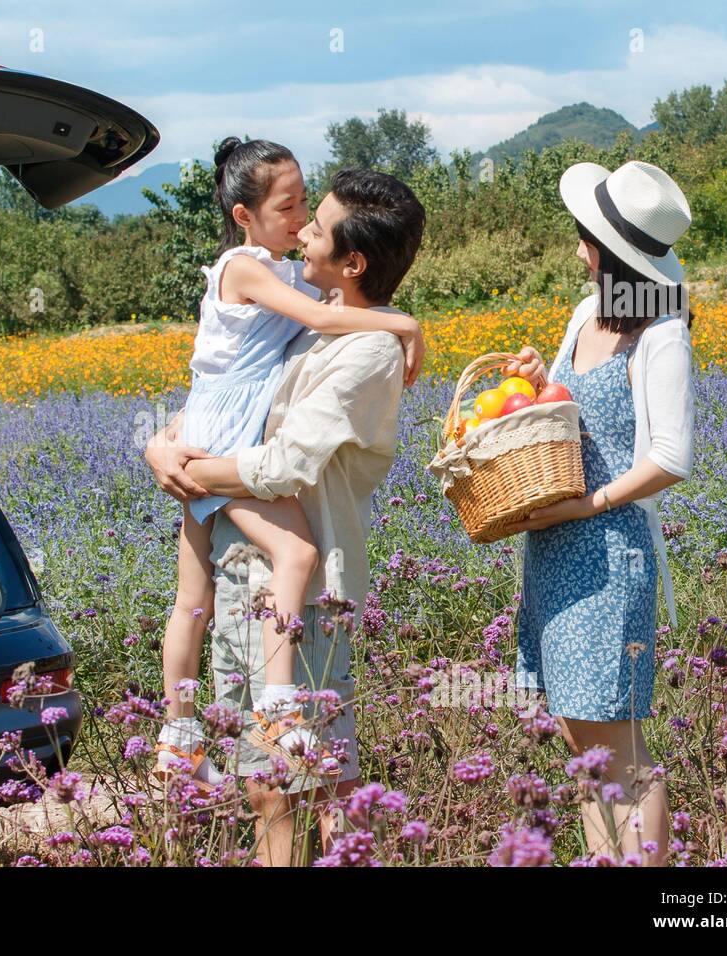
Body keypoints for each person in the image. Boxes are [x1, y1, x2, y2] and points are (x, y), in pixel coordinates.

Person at [146, 167, 427, 864]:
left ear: (353, 261)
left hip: (296, 583)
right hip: (246, 563)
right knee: (275, 772)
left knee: (305, 776)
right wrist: (161, 442)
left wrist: (188, 471)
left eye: (317, 226)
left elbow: (283, 465)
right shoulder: (311, 319)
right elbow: (228, 393)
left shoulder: (365, 351)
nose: (302, 232)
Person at [505, 159, 696, 865]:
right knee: (583, 743)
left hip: (609, 551)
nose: (579, 249)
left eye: (586, 238)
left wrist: (588, 504)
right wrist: (535, 380)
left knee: (613, 747)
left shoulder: (661, 331)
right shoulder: (588, 312)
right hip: (556, 548)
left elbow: (671, 457)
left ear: (612, 250)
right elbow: (563, 409)